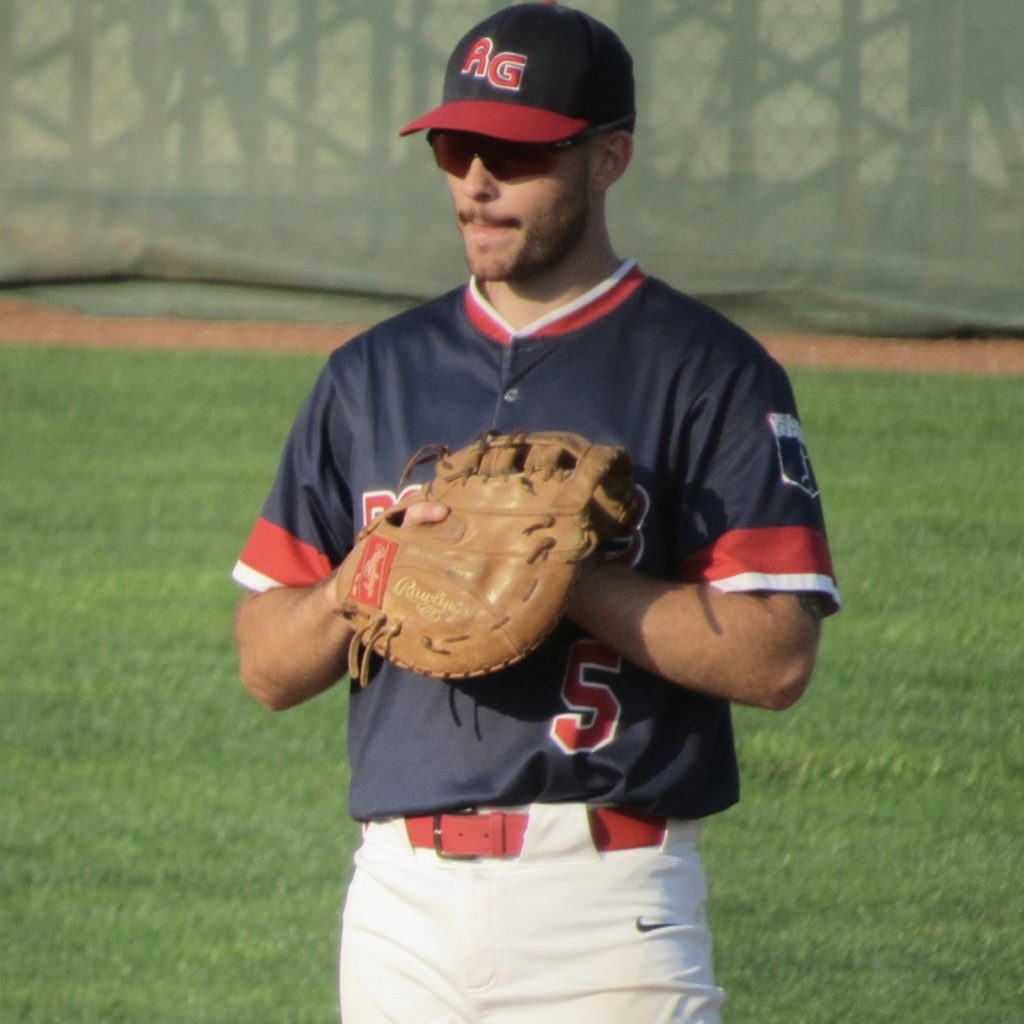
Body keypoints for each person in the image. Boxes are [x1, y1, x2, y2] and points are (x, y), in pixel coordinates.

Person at [232, 3, 840, 1022]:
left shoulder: (708, 372)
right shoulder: (368, 376)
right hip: (398, 903)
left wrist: (568, 575)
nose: (476, 179)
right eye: (455, 146)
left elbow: (775, 660)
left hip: (605, 903)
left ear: (609, 157)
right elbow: (265, 665)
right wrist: (360, 580)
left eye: (514, 152)